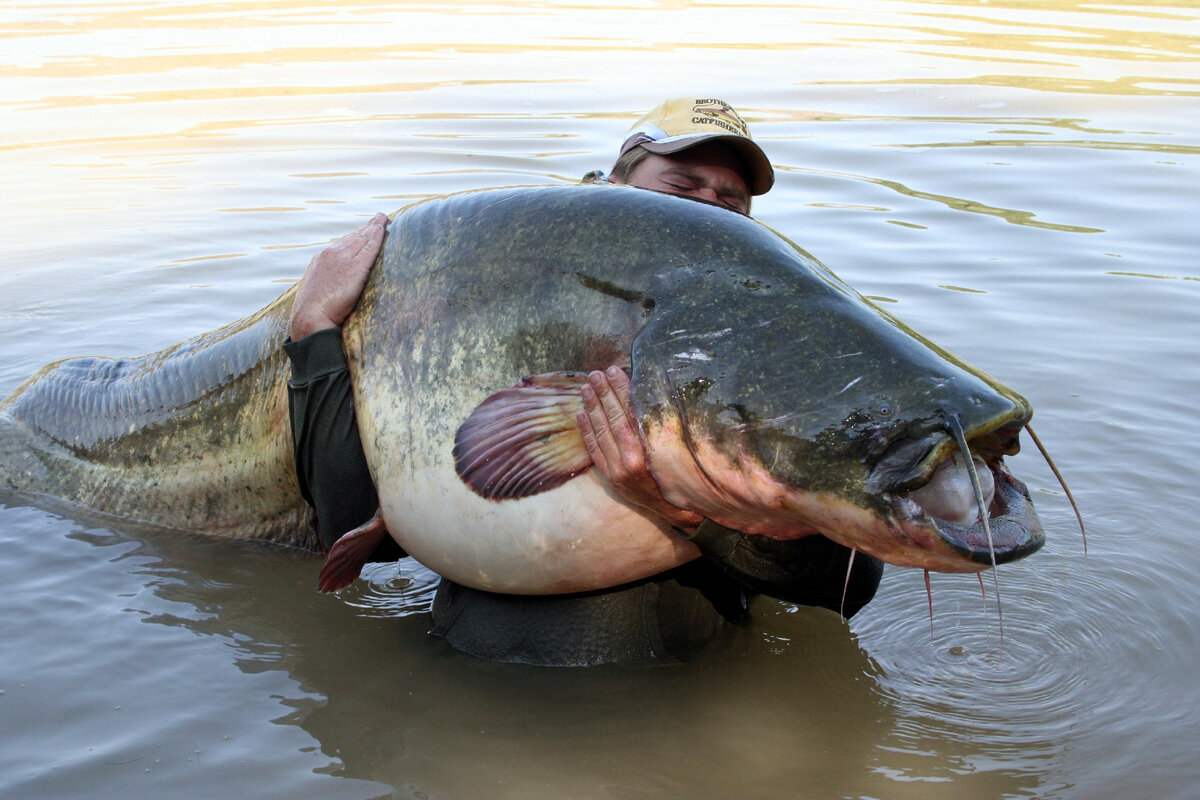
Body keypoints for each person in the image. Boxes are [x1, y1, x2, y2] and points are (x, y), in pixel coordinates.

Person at [285, 98, 883, 666]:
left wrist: (689, 513)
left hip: (683, 692)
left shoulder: (762, 347)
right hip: (463, 684)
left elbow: (849, 582)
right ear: (614, 186)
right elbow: (351, 517)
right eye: (681, 185)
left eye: (731, 200)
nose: (706, 205)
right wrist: (313, 333)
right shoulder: (493, 301)